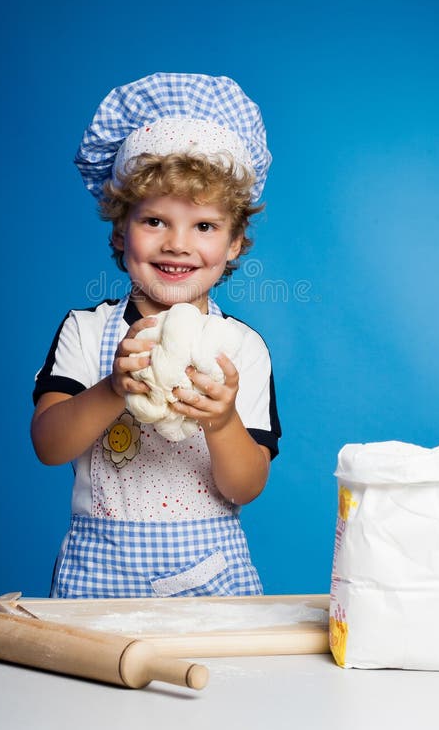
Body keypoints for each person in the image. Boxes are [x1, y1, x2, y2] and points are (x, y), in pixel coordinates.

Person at [31, 72, 281, 598]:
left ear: (235, 244)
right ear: (121, 232)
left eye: (205, 227)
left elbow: (246, 486)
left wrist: (222, 420)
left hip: (210, 574)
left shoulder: (242, 349)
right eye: (155, 222)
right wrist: (112, 389)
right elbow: (49, 446)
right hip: (97, 575)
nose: (177, 244)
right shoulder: (87, 329)